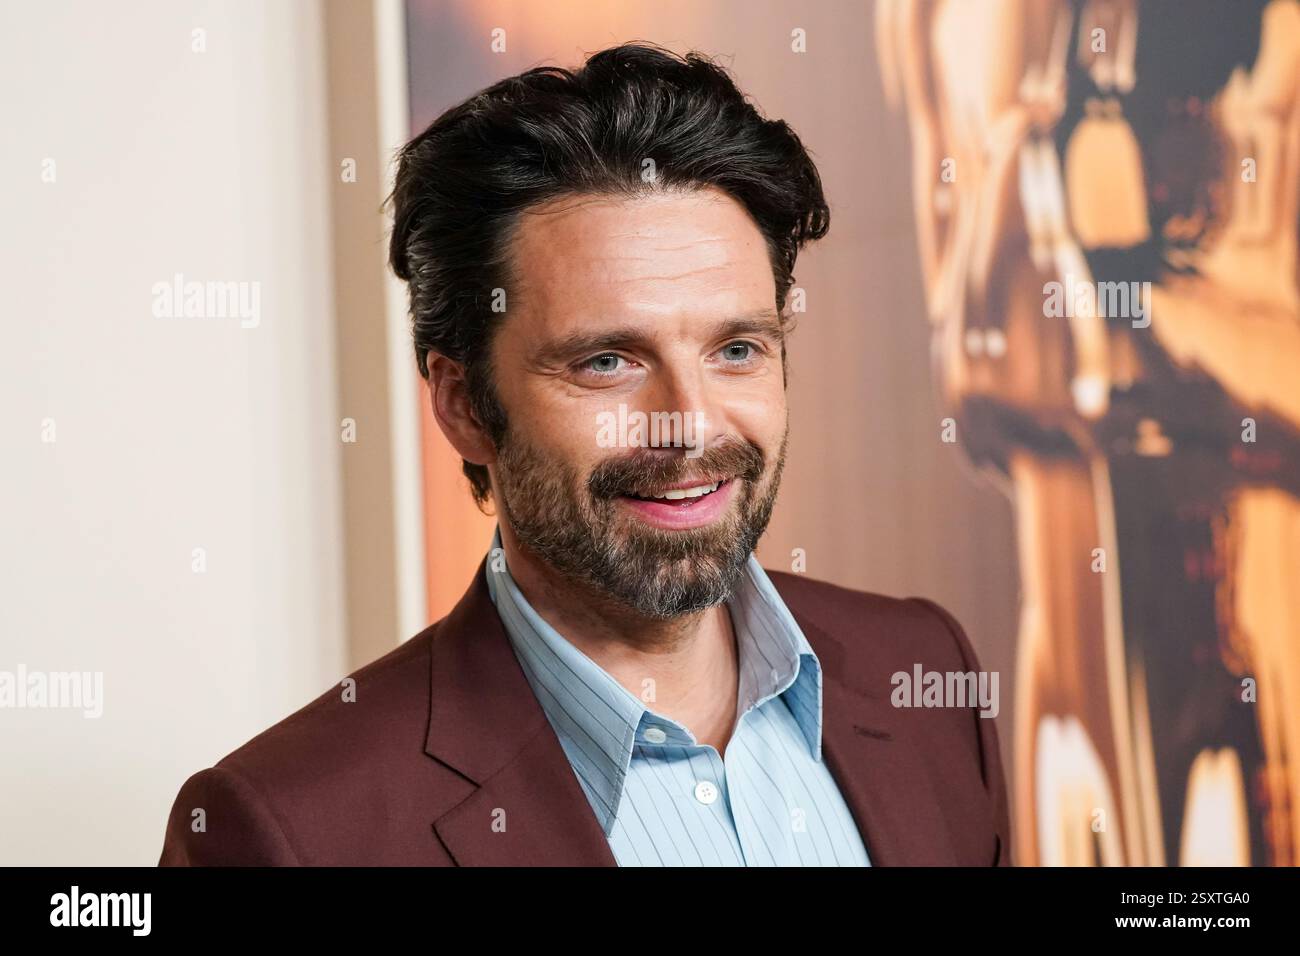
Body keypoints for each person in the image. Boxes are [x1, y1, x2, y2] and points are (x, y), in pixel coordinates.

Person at [158, 41, 1009, 867]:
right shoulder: (290, 833)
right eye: (608, 361)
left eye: (736, 349)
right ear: (462, 404)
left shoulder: (926, 671)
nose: (690, 424)